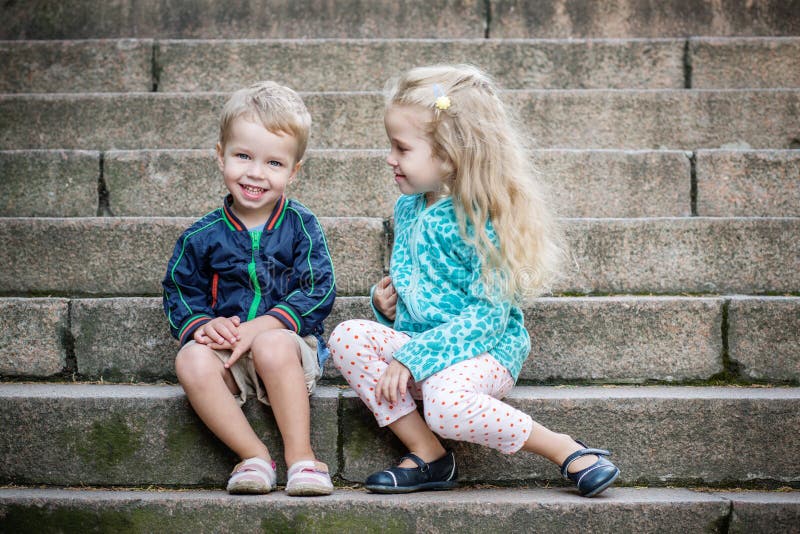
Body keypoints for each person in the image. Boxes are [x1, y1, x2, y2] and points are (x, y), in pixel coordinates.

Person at [328, 64, 619, 497]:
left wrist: (413, 358)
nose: (390, 157)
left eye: (401, 148)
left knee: (445, 406)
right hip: (422, 348)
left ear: (448, 155)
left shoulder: (482, 218)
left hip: (484, 350)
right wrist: (386, 305)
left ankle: (565, 449)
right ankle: (428, 454)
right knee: (347, 336)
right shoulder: (408, 207)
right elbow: (415, 284)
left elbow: (487, 318)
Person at [162, 81, 336, 496]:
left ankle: (302, 458)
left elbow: (319, 288)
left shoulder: (300, 225)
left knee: (272, 344)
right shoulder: (201, 236)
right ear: (220, 156)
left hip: (289, 353)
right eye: (243, 156)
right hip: (230, 355)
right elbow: (179, 290)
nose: (256, 173)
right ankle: (254, 457)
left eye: (274, 163)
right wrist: (203, 325)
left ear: (294, 171)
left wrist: (266, 326)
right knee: (189, 359)